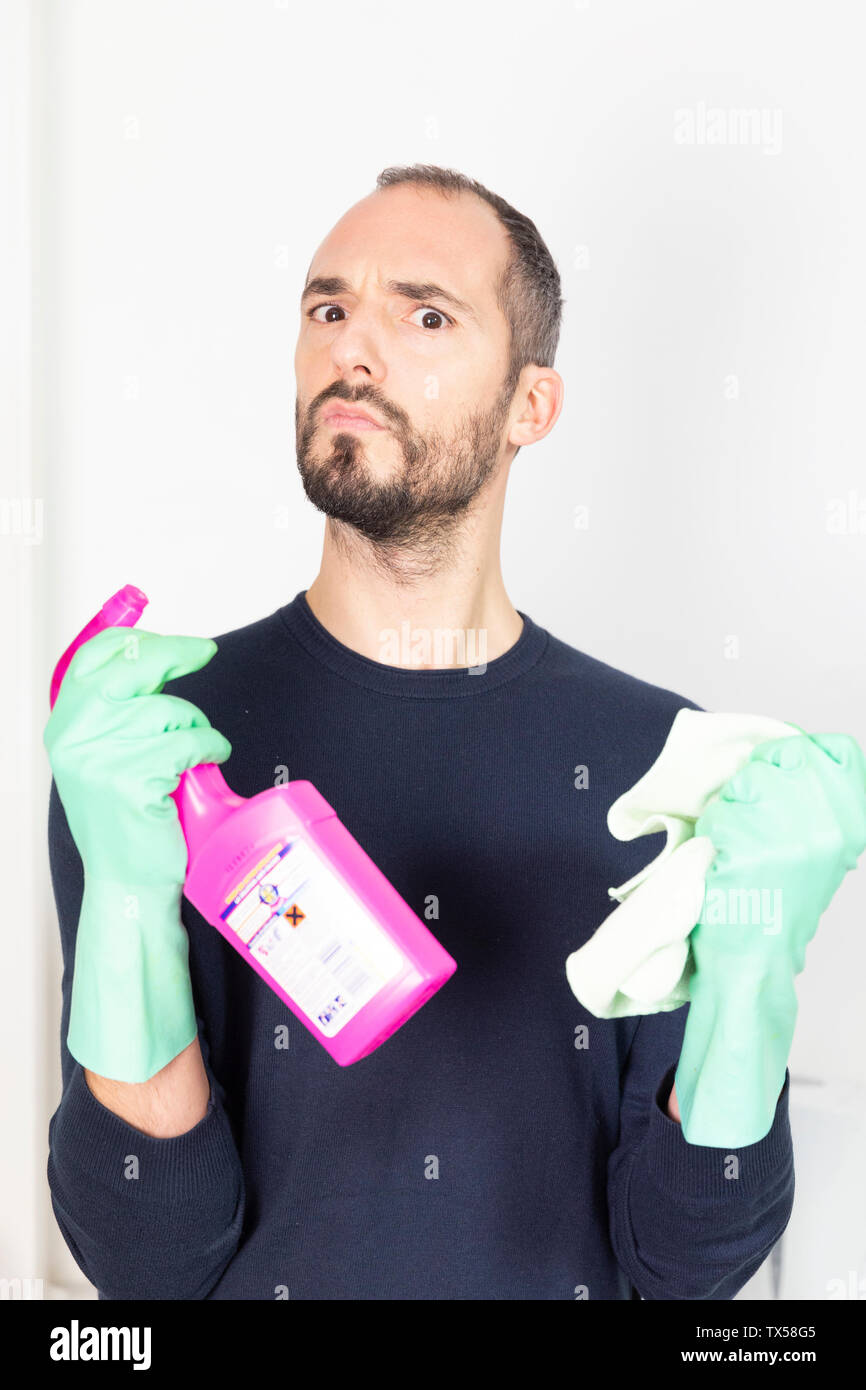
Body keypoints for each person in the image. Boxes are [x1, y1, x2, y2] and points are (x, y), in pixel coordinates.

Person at [45, 164, 795, 1300]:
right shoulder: (159, 755)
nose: (354, 348)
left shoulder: (666, 769)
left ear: (529, 407)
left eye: (425, 314)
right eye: (327, 308)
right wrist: (129, 913)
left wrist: (755, 967)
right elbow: (150, 1267)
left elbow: (681, 1268)